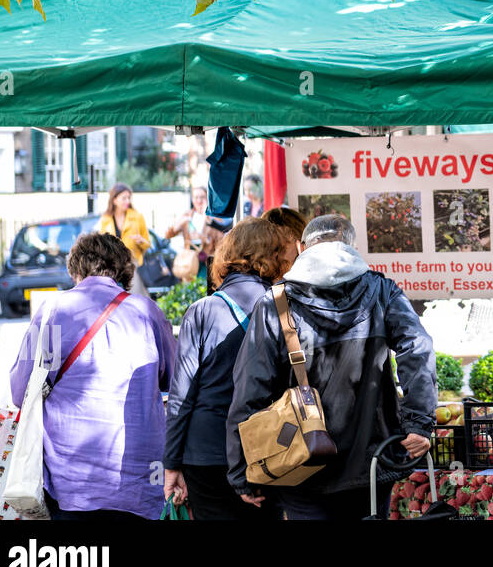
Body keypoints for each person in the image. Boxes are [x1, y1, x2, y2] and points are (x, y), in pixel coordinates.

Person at [226, 215, 436, 519]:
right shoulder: (381, 290)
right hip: (372, 459)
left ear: (300, 247)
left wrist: (241, 468)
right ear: (351, 246)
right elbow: (418, 347)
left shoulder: (275, 303)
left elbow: (249, 389)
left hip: (298, 461)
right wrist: (419, 421)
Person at [9, 233, 176, 519]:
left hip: (70, 480)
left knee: (81, 563)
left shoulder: (53, 312)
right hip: (139, 478)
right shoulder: (147, 312)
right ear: (124, 270)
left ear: (76, 269)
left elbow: (21, 390)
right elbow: (172, 380)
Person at [164, 218, 290, 520]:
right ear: (274, 255)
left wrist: (172, 463)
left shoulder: (202, 311)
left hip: (206, 453)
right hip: (270, 448)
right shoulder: (285, 308)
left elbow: (181, 398)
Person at [97, 183, 152, 297]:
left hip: (132, 264)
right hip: (112, 266)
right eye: (124, 198)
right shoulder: (105, 219)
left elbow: (148, 244)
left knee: (135, 297)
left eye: (129, 198)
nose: (127, 201)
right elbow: (102, 245)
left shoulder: (137, 217)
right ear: (114, 200)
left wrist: (141, 241)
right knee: (114, 299)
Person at [165, 185, 221, 282]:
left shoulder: (213, 217)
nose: (199, 201)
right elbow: (168, 235)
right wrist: (178, 225)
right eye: (196, 197)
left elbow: (221, 239)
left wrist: (206, 216)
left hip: (206, 260)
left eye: (202, 197)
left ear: (207, 198)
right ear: (192, 199)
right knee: (190, 289)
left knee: (204, 289)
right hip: (189, 261)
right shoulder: (187, 215)